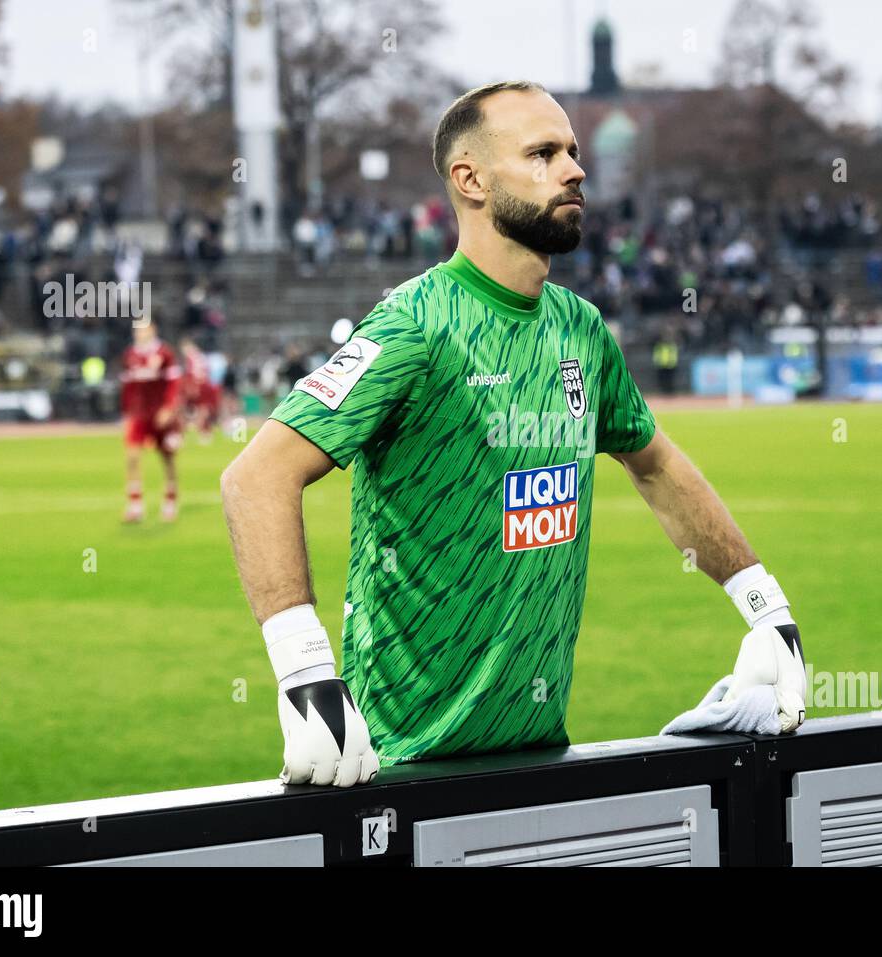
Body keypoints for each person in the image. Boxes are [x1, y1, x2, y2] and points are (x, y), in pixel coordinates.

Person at [221, 80, 807, 789]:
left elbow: (655, 465)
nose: (573, 168)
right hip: (400, 769)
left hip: (541, 757)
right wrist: (304, 670)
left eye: (572, 151)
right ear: (470, 180)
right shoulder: (415, 324)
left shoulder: (582, 330)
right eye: (542, 153)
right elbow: (255, 475)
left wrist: (764, 605)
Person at [119, 320, 182, 523]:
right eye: (136, 329)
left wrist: (169, 408)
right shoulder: (131, 354)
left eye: (142, 329)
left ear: (152, 330)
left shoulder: (164, 353)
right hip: (139, 415)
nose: (138, 333)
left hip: (160, 415)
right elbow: (128, 388)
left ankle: (170, 501)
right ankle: (135, 506)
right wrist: (126, 413)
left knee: (167, 459)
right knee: (132, 457)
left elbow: (173, 383)